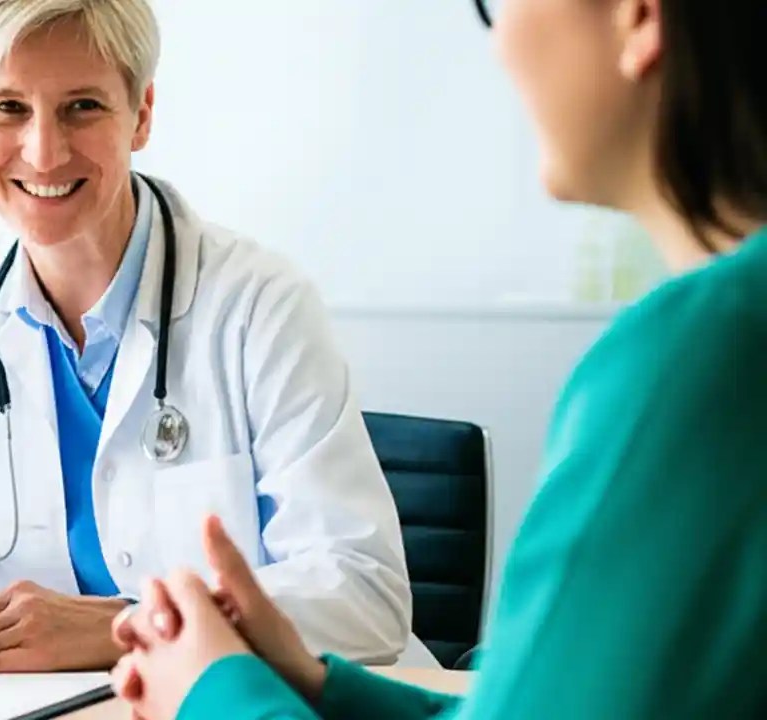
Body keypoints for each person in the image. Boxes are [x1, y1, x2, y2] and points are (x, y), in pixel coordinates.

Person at [110, 0, 767, 716]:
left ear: (638, 17)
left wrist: (209, 692)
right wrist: (312, 682)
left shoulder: (696, 364)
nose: (500, 43)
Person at [0, 0, 428, 674]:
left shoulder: (259, 305)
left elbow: (360, 591)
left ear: (142, 114)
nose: (44, 151)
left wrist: (124, 626)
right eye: (8, 108)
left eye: (82, 107)